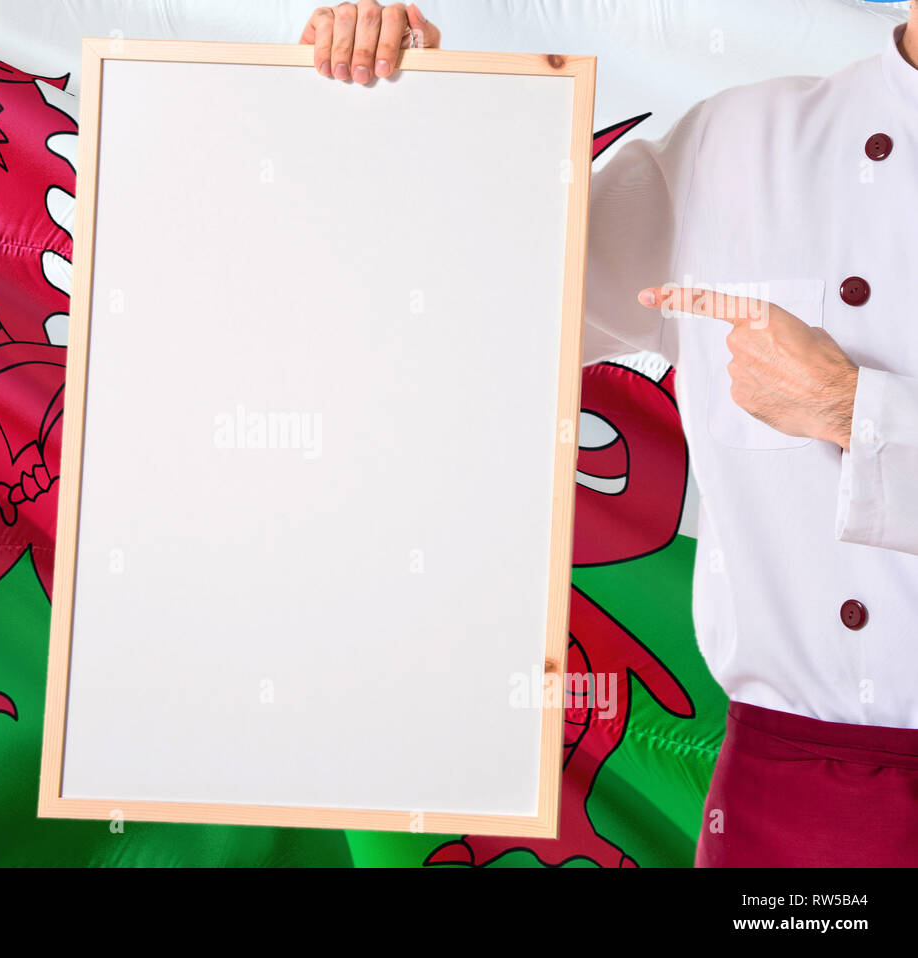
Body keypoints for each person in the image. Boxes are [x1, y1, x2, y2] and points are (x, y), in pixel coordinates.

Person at [300, 2, 918, 867]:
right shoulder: (737, 145)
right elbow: (482, 309)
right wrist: (408, 106)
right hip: (783, 805)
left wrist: (855, 412)